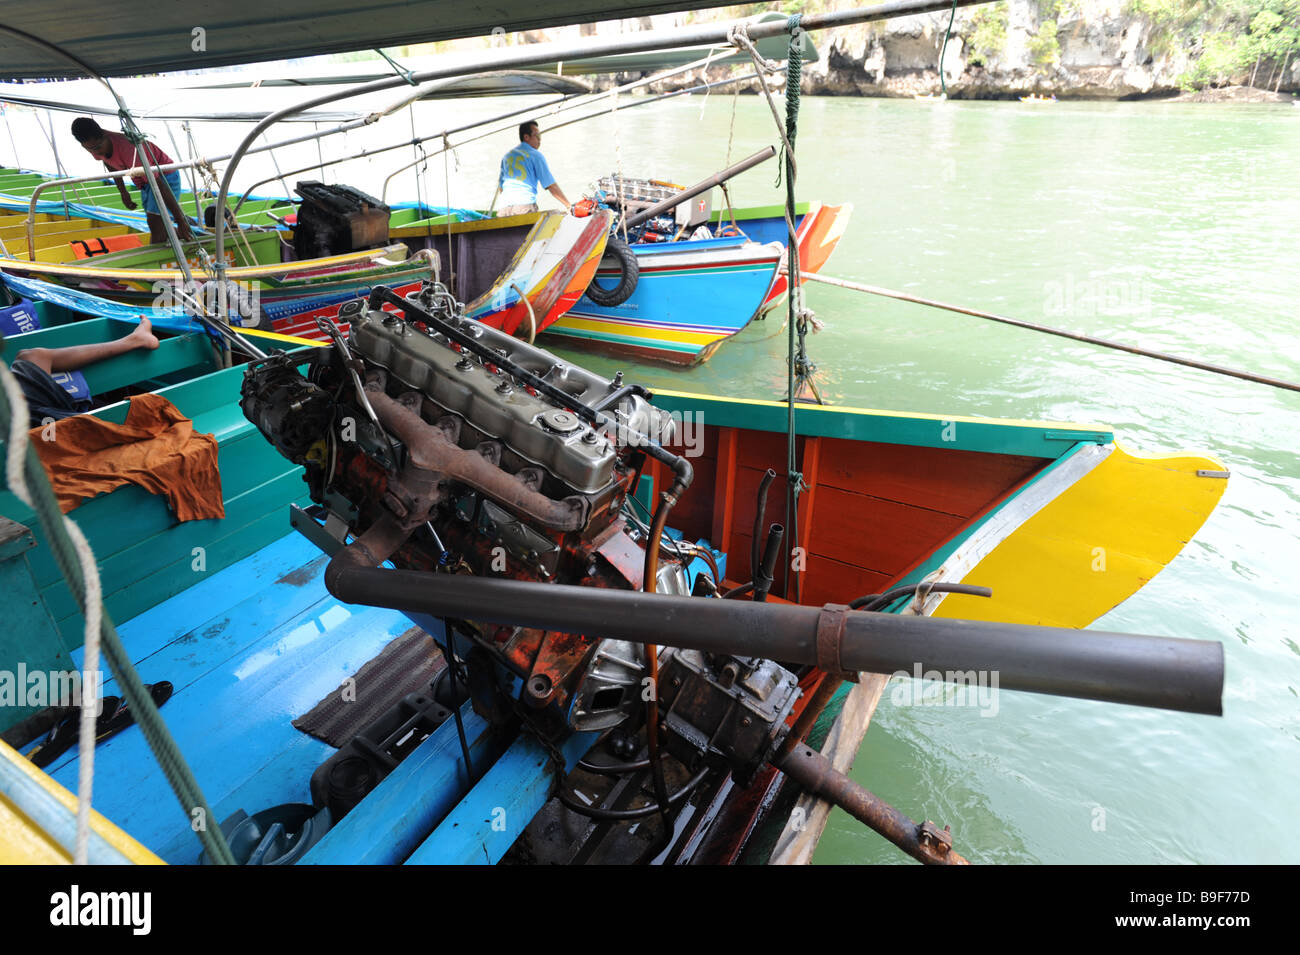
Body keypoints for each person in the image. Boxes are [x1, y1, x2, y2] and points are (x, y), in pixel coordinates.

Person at [10, 318, 160, 428]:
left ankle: (135, 339)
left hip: (37, 418)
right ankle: (135, 340)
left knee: (32, 357)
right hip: (45, 432)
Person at [70, 118, 195, 244]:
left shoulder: (130, 149)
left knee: (155, 222)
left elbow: (159, 185)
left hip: (164, 177)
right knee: (157, 223)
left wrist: (180, 220)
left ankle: (183, 225)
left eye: (97, 148)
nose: (96, 153)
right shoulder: (96, 145)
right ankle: (189, 228)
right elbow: (109, 163)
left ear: (104, 135)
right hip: (144, 181)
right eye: (89, 149)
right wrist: (123, 192)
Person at [496, 120, 572, 217]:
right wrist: (569, 206)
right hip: (524, 206)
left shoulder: (506, 157)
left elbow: (501, 188)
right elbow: (551, 185)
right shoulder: (535, 155)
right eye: (537, 136)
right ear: (526, 137)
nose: (539, 140)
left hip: (503, 208)